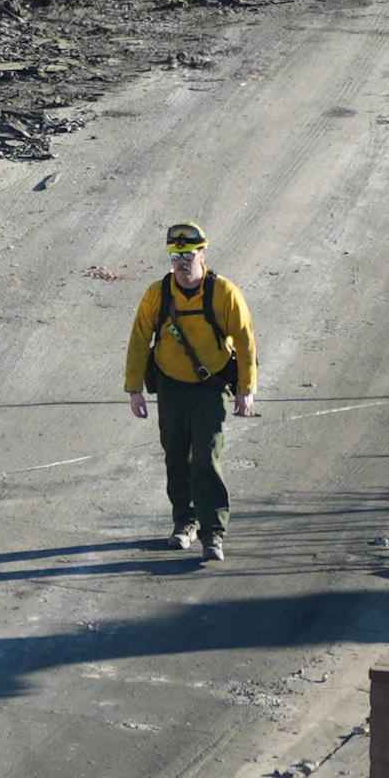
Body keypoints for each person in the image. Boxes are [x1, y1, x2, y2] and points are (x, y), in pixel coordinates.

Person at [124, 221, 258, 558]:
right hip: (170, 387)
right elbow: (140, 339)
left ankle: (212, 533)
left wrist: (246, 388)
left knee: (206, 458)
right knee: (175, 457)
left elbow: (244, 341)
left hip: (209, 389)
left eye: (187, 254)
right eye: (175, 255)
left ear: (202, 253)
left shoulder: (224, 293)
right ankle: (184, 522)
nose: (181, 261)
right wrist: (134, 389)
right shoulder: (159, 294)